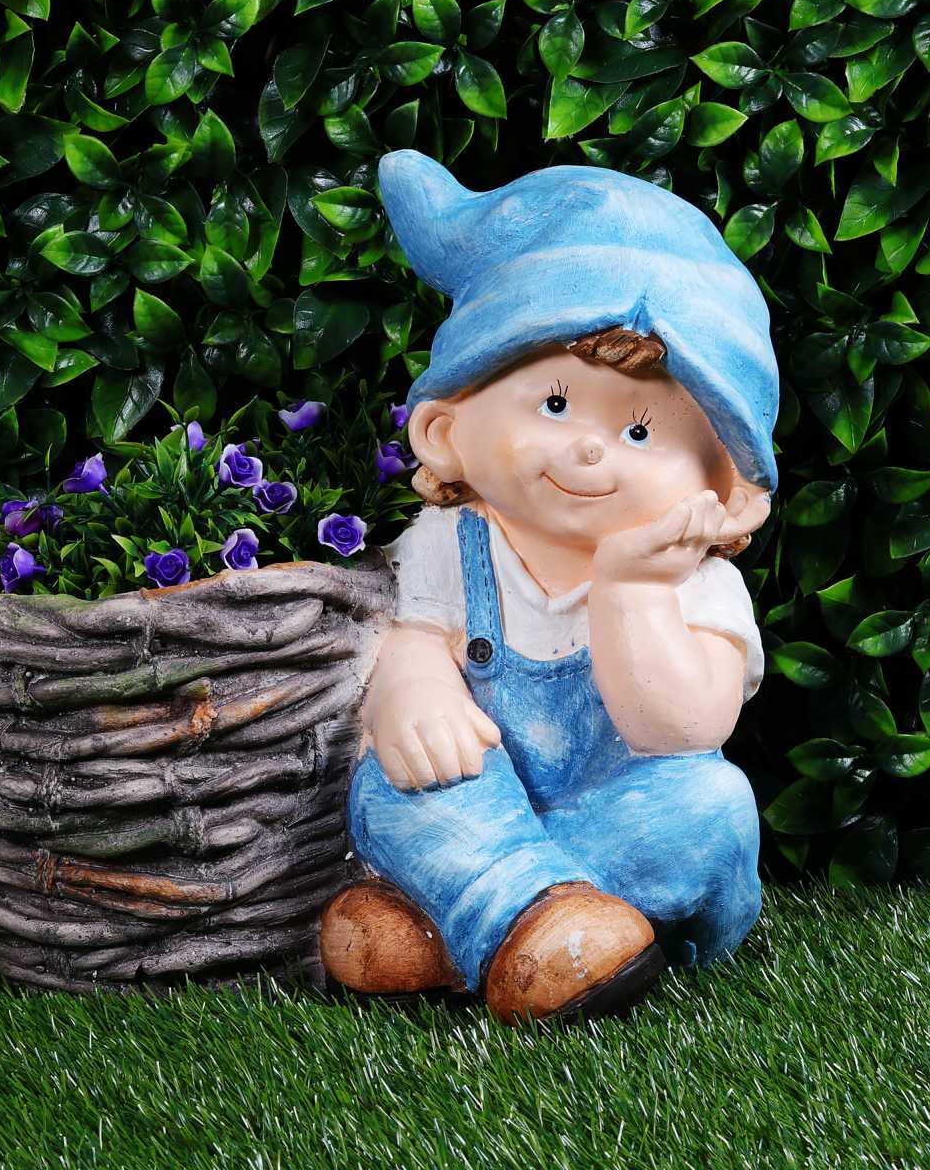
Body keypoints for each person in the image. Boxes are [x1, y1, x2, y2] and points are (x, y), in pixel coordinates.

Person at [319, 150, 780, 1025]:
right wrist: (412, 687)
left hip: (630, 815)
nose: (591, 450)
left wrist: (634, 590)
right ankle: (540, 928)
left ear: (723, 494)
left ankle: (470, 922)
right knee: (400, 783)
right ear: (445, 430)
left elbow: (678, 727)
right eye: (556, 406)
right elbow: (413, 635)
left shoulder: (699, 586)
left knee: (711, 808)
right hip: (491, 795)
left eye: (642, 429)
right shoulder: (452, 545)